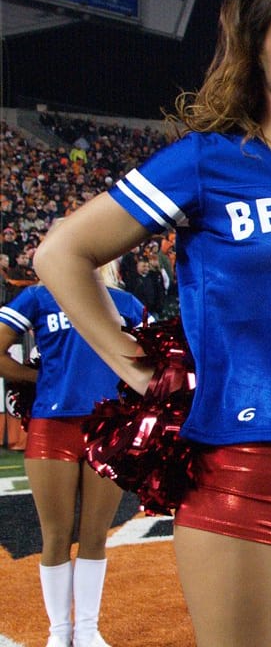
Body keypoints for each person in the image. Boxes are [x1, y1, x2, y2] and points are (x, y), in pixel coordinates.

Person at [34, 0, 271, 645]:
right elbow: (61, 255)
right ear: (256, 47)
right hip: (242, 465)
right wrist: (141, 373)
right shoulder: (204, 162)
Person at [0, 261, 144, 647]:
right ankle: (59, 633)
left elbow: (150, 364)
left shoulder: (127, 304)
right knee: (56, 535)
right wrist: (39, 378)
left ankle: (87, 631)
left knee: (95, 536)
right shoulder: (38, 297)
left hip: (108, 428)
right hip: (52, 427)